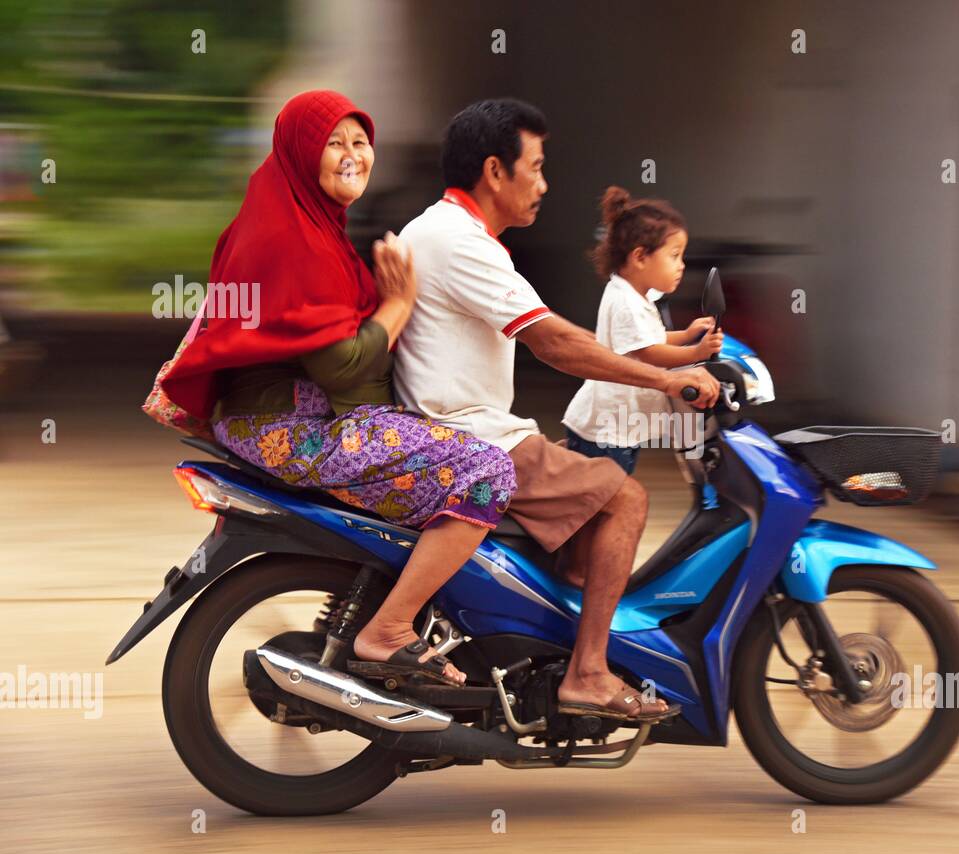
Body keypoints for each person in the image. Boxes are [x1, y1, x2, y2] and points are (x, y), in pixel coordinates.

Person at [159, 90, 518, 687]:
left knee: (449, 449)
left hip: (278, 421)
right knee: (488, 471)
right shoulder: (293, 239)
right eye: (334, 143)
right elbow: (342, 366)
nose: (353, 155)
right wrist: (399, 302)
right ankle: (389, 629)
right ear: (302, 151)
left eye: (360, 142)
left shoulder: (295, 220)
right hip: (292, 429)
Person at [394, 98, 721, 723]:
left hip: (449, 425)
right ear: (495, 171)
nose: (544, 184)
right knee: (625, 498)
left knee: (588, 495)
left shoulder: (434, 231)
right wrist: (669, 380)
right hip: (474, 435)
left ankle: (546, 628)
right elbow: (556, 343)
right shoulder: (464, 243)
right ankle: (589, 674)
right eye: (536, 167)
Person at [561, 186, 724, 474]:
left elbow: (649, 339)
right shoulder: (626, 302)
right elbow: (648, 353)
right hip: (606, 434)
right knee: (605, 504)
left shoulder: (636, 296)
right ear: (640, 257)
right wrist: (695, 352)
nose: (681, 265)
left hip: (615, 429)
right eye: (674, 255)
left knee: (603, 502)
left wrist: (686, 335)